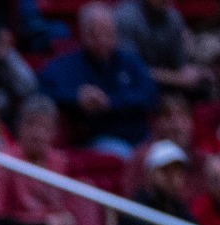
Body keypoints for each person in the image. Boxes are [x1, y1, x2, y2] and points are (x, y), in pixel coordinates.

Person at [39, 3, 157, 156]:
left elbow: (149, 94)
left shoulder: (130, 61)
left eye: (107, 32)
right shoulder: (67, 65)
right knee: (124, 153)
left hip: (138, 136)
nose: (102, 39)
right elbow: (45, 91)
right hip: (97, 138)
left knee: (165, 154)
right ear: (82, 33)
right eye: (94, 33)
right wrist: (77, 98)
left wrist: (109, 102)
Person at [114, 0, 209, 95]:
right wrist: (176, 78)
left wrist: (199, 73)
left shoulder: (174, 18)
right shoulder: (125, 17)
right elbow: (130, 70)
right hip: (130, 86)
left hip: (167, 85)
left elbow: (180, 65)